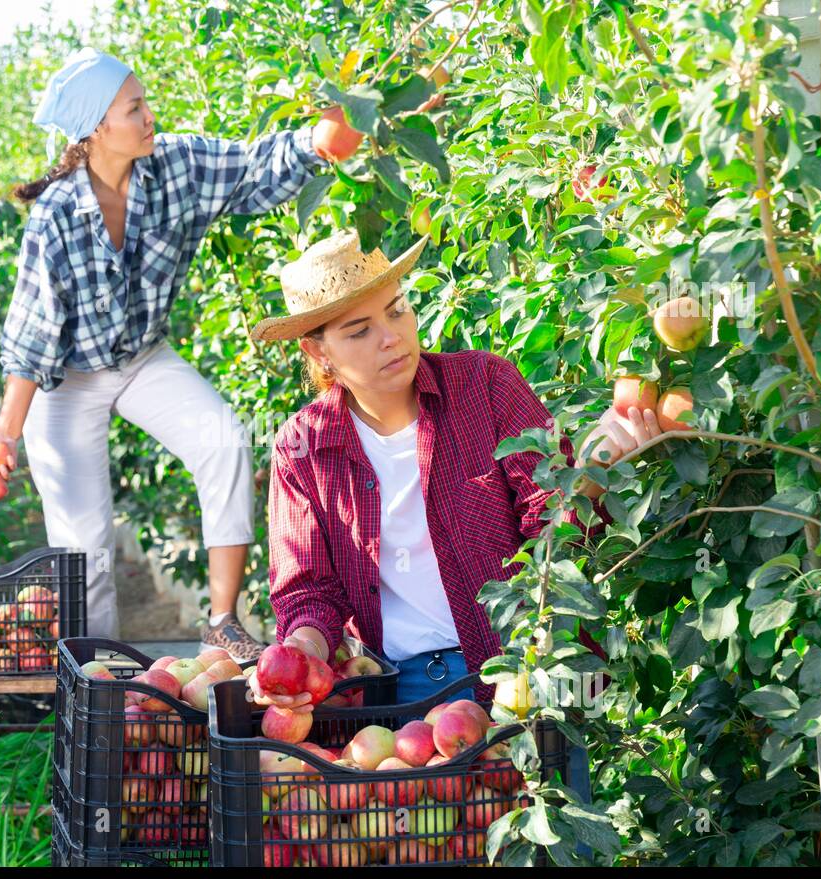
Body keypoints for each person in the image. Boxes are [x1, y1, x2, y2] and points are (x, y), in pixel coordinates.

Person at [0, 48, 361, 657]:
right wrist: (5, 434)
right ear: (97, 128)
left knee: (224, 439)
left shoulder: (175, 164)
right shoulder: (58, 214)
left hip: (143, 358)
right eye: (135, 108)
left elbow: (257, 167)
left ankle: (222, 622)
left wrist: (324, 136)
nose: (150, 116)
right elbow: (33, 334)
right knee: (86, 546)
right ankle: (92, 681)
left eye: (146, 102)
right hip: (66, 381)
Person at [252, 230, 662, 710]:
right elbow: (308, 590)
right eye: (359, 331)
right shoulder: (304, 447)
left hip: (524, 671)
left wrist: (588, 478)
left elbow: (549, 526)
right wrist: (301, 653)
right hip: (394, 695)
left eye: (397, 309)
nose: (391, 337)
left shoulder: (485, 385)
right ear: (318, 352)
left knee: (538, 788)